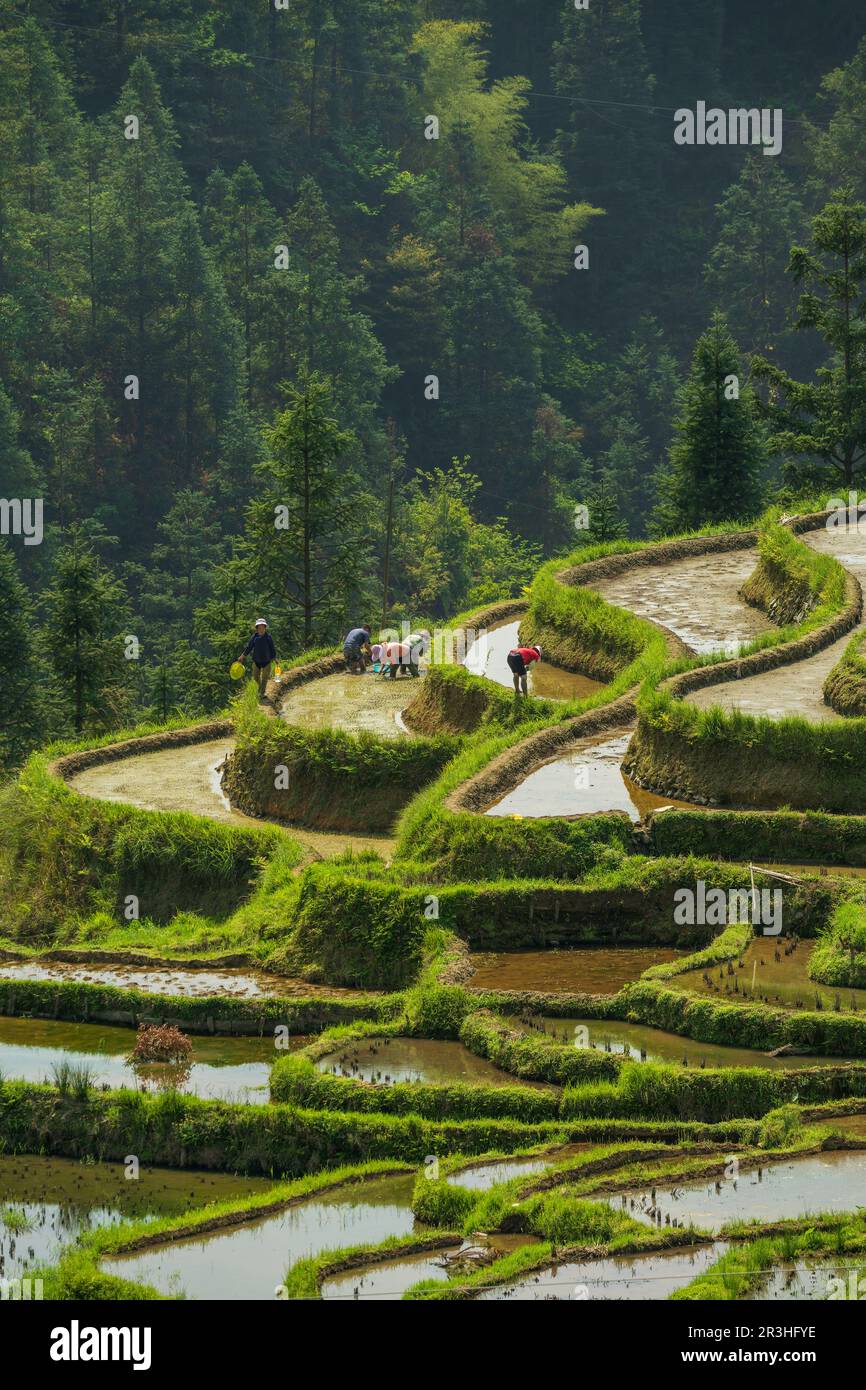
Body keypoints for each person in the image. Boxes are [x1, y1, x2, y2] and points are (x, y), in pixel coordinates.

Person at [238, 619, 277, 699]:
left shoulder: (268, 637)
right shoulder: (254, 637)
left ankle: (262, 693)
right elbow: (249, 647)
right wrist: (243, 655)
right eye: (259, 626)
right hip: (256, 661)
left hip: (266, 661)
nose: (261, 628)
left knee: (265, 678)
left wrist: (275, 658)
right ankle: (260, 686)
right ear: (257, 627)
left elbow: (272, 648)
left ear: (265, 627)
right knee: (255, 676)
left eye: (262, 626)